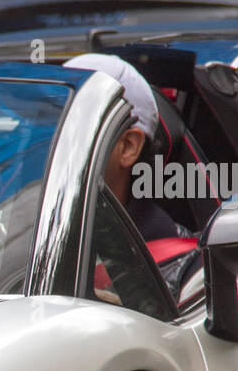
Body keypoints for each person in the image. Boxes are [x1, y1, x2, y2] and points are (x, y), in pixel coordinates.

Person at [63, 53, 190, 242]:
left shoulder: (170, 262)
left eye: (71, 125)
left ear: (128, 147)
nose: (49, 138)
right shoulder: (17, 220)